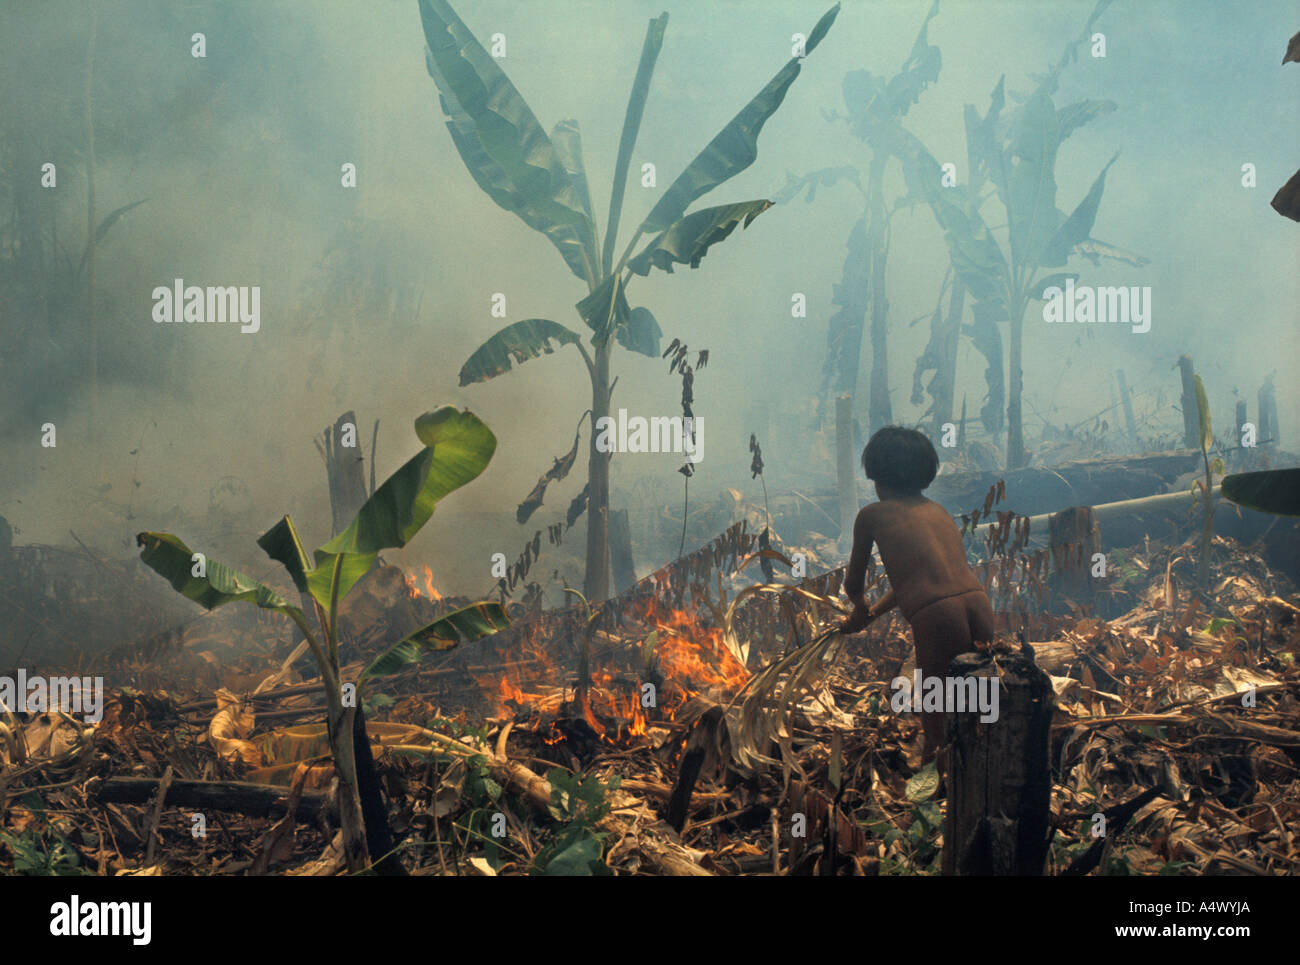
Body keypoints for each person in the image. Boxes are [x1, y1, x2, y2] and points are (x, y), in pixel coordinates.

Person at [840, 426, 996, 762]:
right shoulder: (937, 511)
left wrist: (858, 610)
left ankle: (934, 787)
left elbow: (853, 585)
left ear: (877, 477)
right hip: (978, 603)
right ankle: (985, 770)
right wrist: (874, 614)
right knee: (981, 703)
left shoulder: (871, 515)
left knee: (935, 707)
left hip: (936, 617)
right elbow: (915, 581)